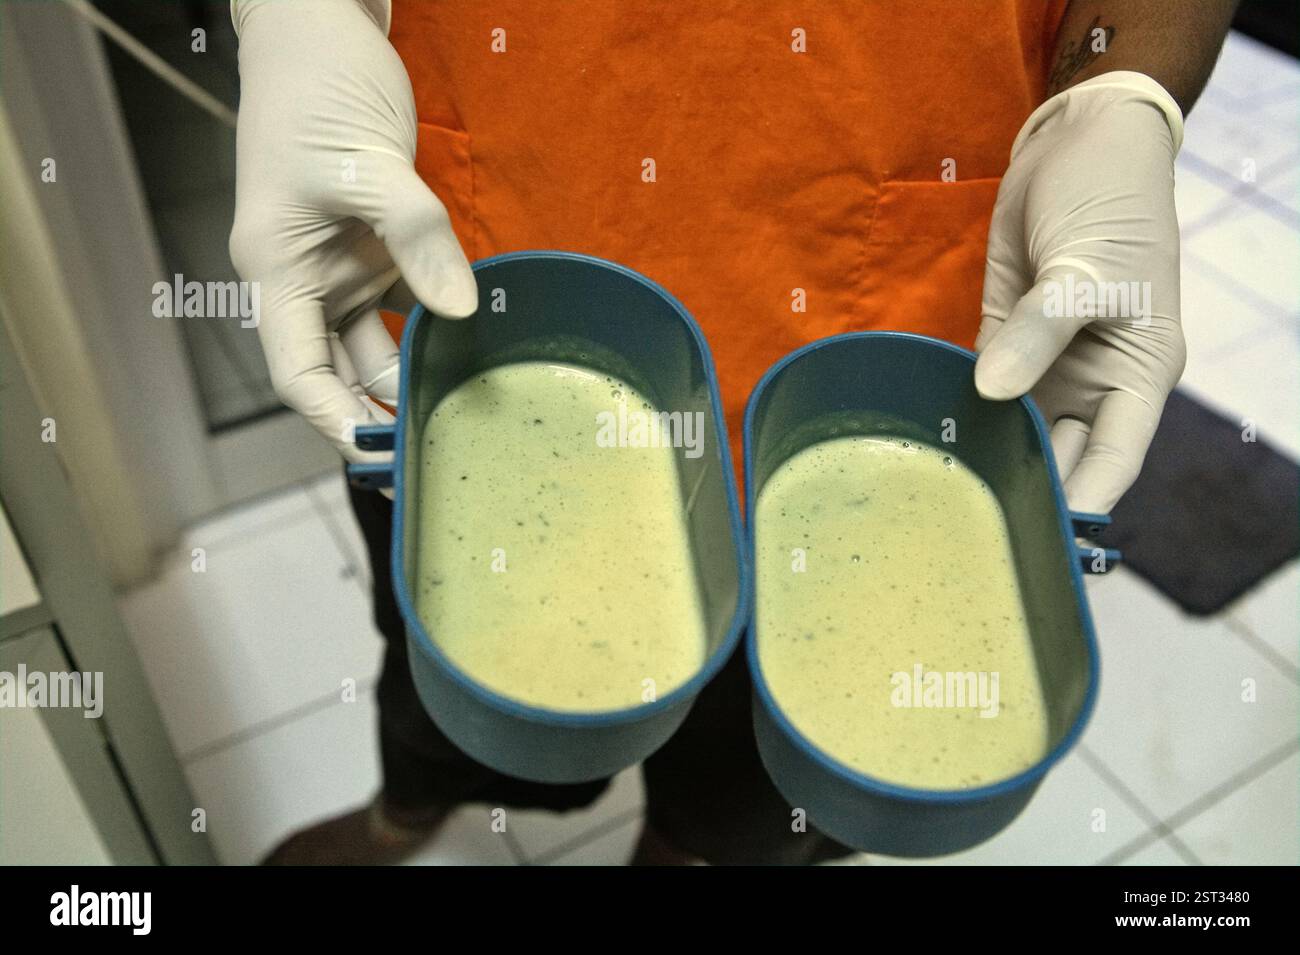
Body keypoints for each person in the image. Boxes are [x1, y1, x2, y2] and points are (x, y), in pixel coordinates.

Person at [229, 0, 1238, 864]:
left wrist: (1119, 94)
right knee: (449, 661)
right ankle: (410, 807)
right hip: (493, 258)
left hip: (874, 302)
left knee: (761, 777)